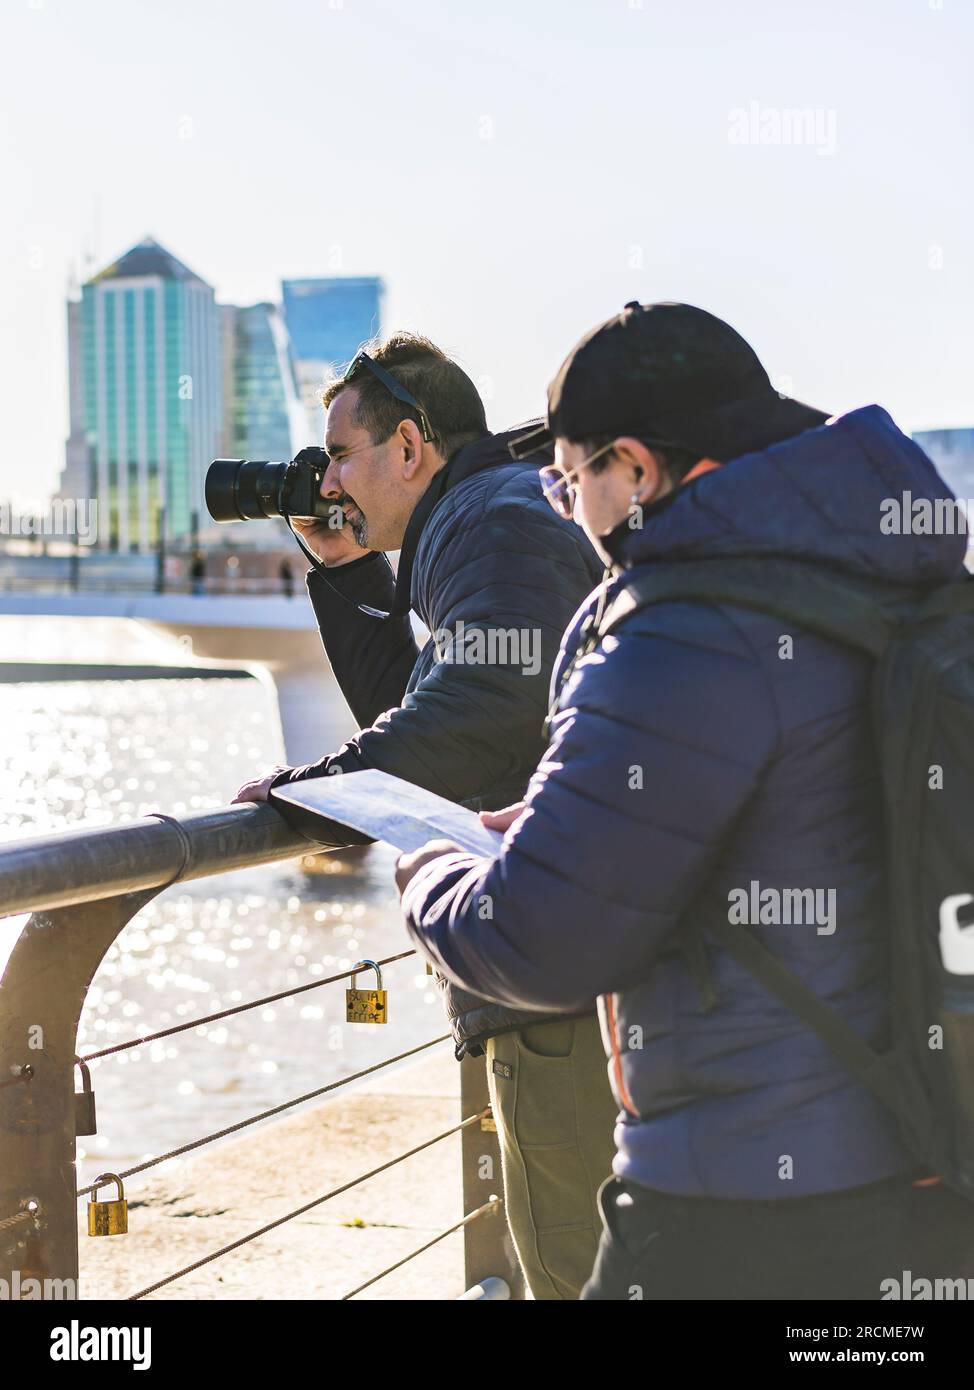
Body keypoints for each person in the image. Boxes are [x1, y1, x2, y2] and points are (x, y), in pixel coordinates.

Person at [396, 301, 974, 1299]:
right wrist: (565, 826)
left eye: (569, 479)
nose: (568, 507)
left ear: (634, 466)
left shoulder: (684, 628)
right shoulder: (898, 578)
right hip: (926, 1167)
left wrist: (430, 865)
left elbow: (539, 937)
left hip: (738, 1204)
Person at [232, 332, 614, 1299]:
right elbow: (433, 702)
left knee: (574, 1270)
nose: (329, 479)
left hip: (559, 977)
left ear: (409, 448)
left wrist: (313, 788)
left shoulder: (491, 519)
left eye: (342, 455)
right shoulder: (493, 509)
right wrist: (348, 573)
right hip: (582, 960)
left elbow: (483, 710)